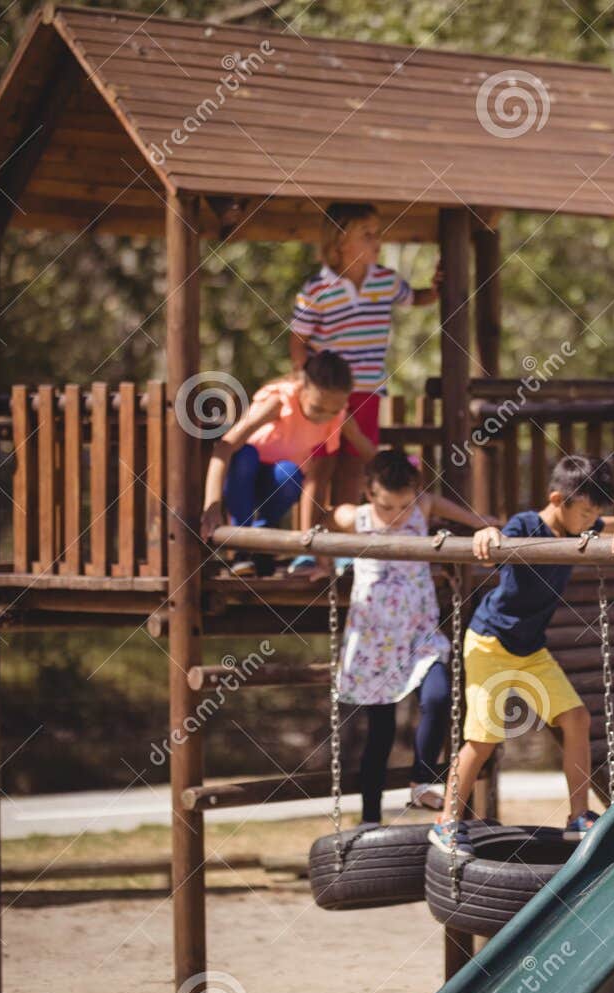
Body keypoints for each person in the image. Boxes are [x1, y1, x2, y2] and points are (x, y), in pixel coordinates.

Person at [432, 455, 614, 854]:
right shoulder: (526, 525)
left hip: (531, 649)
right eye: (584, 513)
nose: (589, 524)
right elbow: (496, 536)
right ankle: (446, 821)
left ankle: (577, 817)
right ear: (557, 499)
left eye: (594, 515)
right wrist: (486, 534)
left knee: (576, 718)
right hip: (490, 644)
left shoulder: (579, 525)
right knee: (482, 740)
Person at [325, 451, 494, 821]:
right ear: (369, 494)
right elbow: (325, 526)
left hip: (419, 633)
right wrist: (321, 562)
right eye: (388, 506)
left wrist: (488, 525)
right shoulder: (357, 518)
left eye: (405, 505)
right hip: (375, 641)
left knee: (437, 696)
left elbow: (473, 519)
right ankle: (370, 818)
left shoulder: (424, 508)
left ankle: (421, 778)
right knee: (380, 733)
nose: (398, 515)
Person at [288, 202, 441, 570]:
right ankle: (309, 546)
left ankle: (341, 550)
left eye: (378, 233)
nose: (378, 241)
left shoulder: (386, 281)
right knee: (320, 468)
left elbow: (415, 297)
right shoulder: (316, 289)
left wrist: (436, 288)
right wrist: (310, 383)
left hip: (369, 391)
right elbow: (297, 341)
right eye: (367, 234)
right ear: (340, 241)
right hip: (329, 396)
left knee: (354, 468)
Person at [199, 351, 373, 576]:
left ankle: (263, 536)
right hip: (242, 481)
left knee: (290, 473)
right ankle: (241, 542)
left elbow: (368, 452)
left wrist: (400, 475)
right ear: (303, 387)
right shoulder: (280, 402)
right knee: (246, 455)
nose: (324, 417)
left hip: (274, 484)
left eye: (334, 411)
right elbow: (225, 447)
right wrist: (212, 504)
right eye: (318, 408)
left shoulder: (338, 417)